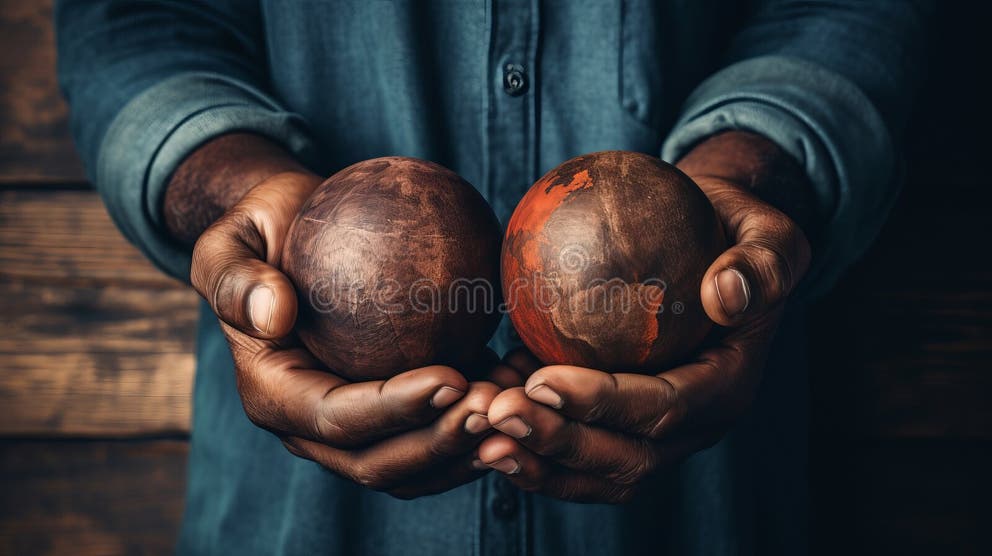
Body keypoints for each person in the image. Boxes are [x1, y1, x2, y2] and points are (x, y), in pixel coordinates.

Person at [55, 1, 930, 554]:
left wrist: (746, 179)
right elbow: (133, 21)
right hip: (296, 519)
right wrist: (236, 191)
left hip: (706, 501)